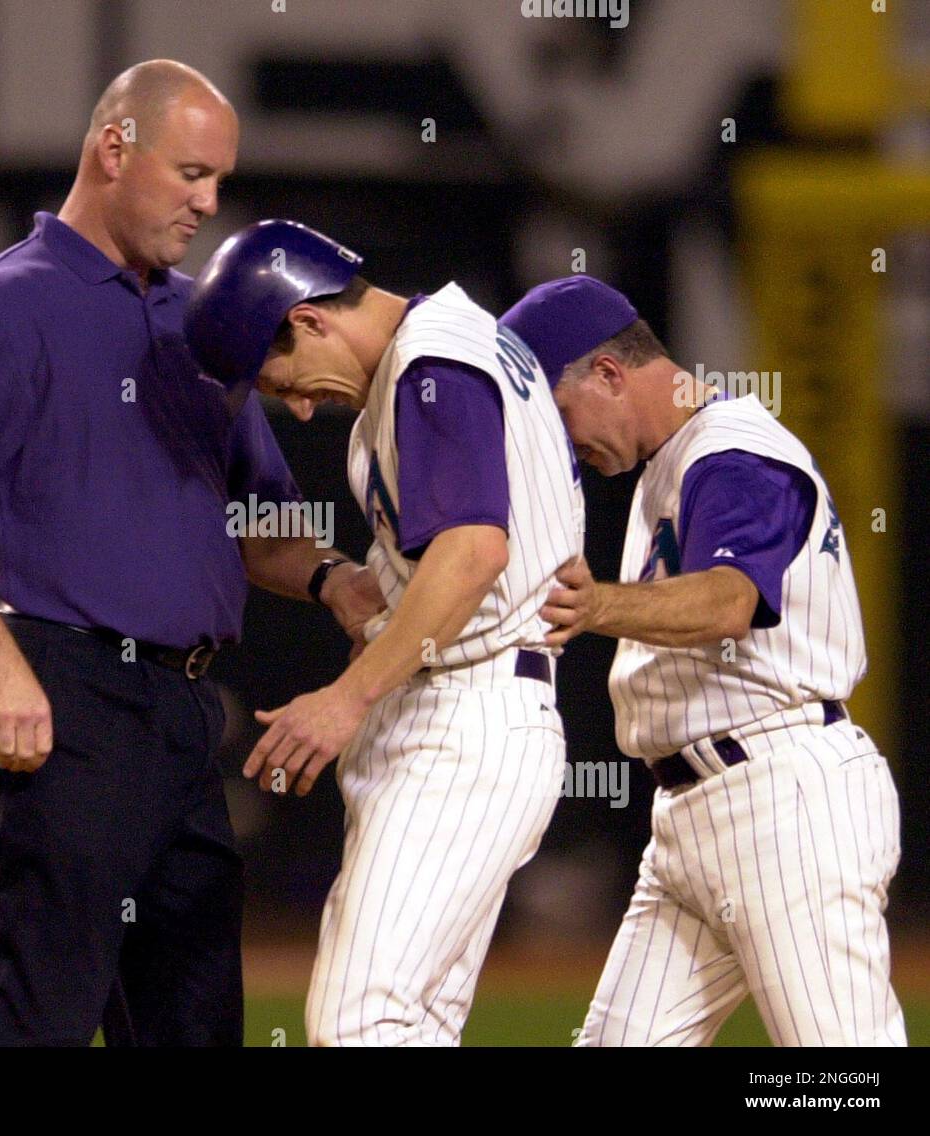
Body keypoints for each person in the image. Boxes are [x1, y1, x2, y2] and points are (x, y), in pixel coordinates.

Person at [0, 62, 382, 1047]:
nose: (208, 201)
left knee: (190, 1022)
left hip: (184, 715)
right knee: (30, 1015)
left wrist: (329, 578)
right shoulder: (0, 308)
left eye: (218, 180)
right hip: (60, 702)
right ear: (113, 148)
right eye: (191, 172)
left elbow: (256, 525)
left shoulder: (202, 321)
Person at [184, 219, 585, 1046]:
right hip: (480, 710)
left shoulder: (431, 361)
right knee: (413, 1025)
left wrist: (346, 697)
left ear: (308, 318)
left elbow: (473, 550)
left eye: (281, 375)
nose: (296, 407)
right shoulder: (459, 335)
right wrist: (359, 586)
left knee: (355, 1018)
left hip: (465, 724)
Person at [503, 274, 906, 1046]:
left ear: (610, 373)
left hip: (780, 802)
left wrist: (598, 606)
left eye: (556, 413)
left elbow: (730, 600)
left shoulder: (733, 453)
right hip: (696, 814)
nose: (562, 443)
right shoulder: (678, 458)